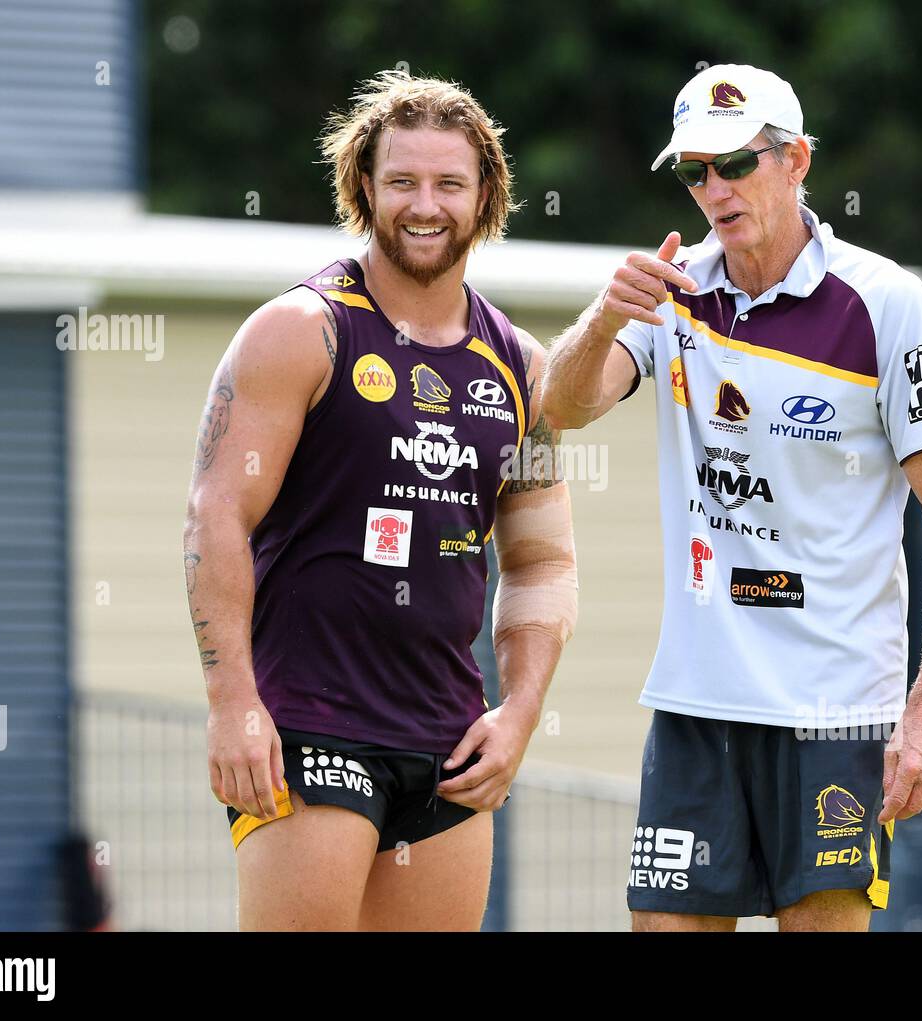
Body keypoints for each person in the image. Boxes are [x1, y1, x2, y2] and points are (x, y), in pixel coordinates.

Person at [541, 64, 922, 931]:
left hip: (836, 709)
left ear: (797, 162)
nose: (714, 188)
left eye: (735, 164)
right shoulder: (674, 290)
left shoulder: (885, 303)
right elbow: (561, 410)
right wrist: (603, 317)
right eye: (693, 171)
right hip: (696, 703)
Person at [182, 70, 577, 931]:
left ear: (486, 197)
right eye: (402, 181)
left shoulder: (522, 365)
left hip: (447, 741)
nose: (423, 205)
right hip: (307, 725)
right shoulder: (302, 330)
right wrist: (232, 703)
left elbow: (543, 561)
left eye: (448, 184)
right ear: (366, 186)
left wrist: (519, 713)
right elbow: (218, 515)